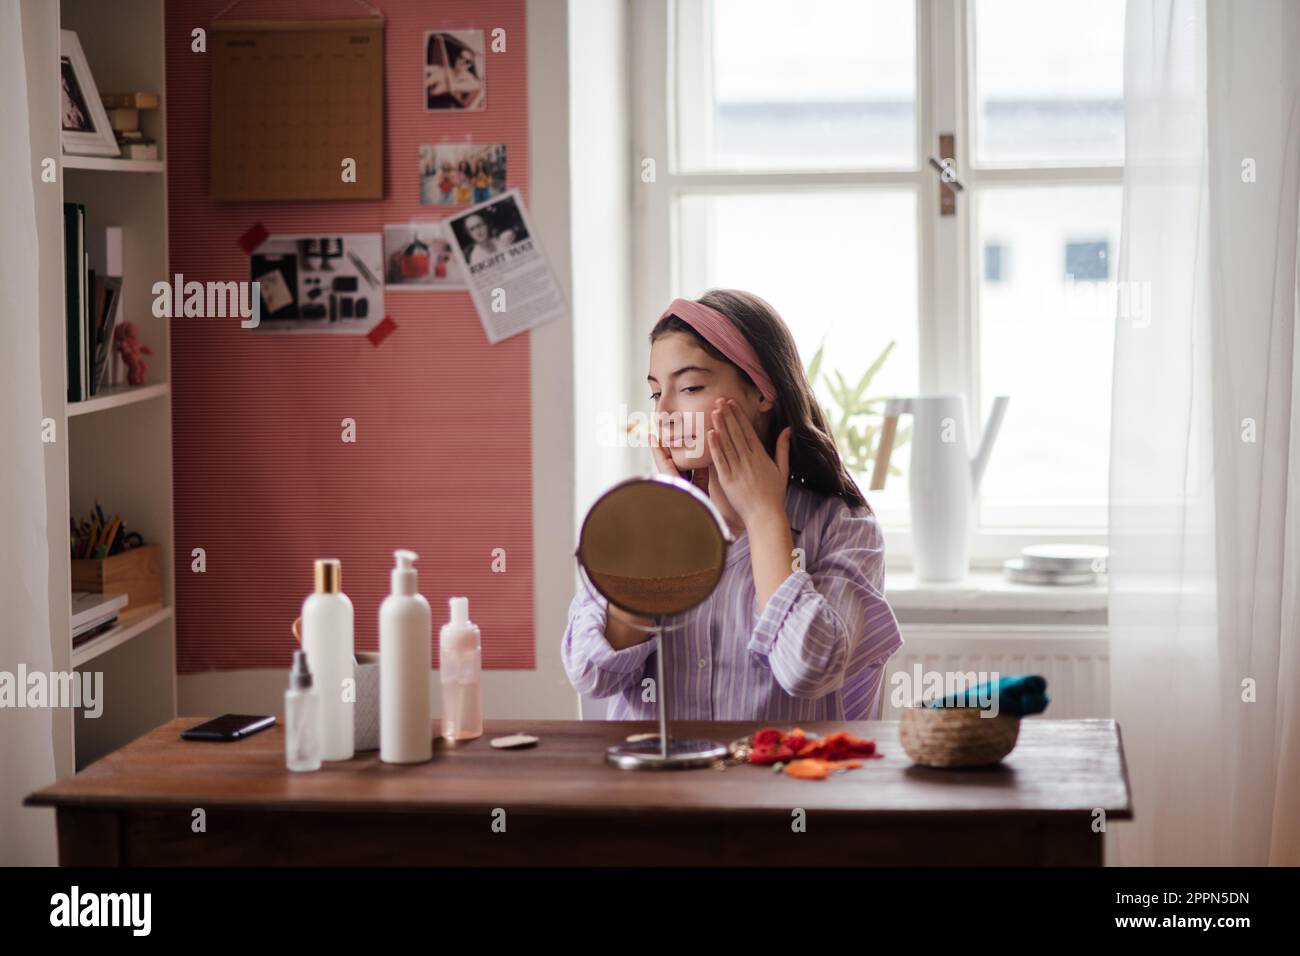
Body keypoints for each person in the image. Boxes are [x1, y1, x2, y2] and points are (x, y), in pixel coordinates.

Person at [562, 289, 902, 721]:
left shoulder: (843, 526)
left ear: (762, 392)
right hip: (658, 787)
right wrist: (663, 528)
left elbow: (809, 670)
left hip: (780, 783)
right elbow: (591, 675)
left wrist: (764, 519)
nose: (663, 410)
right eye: (654, 393)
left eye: (689, 387)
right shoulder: (633, 518)